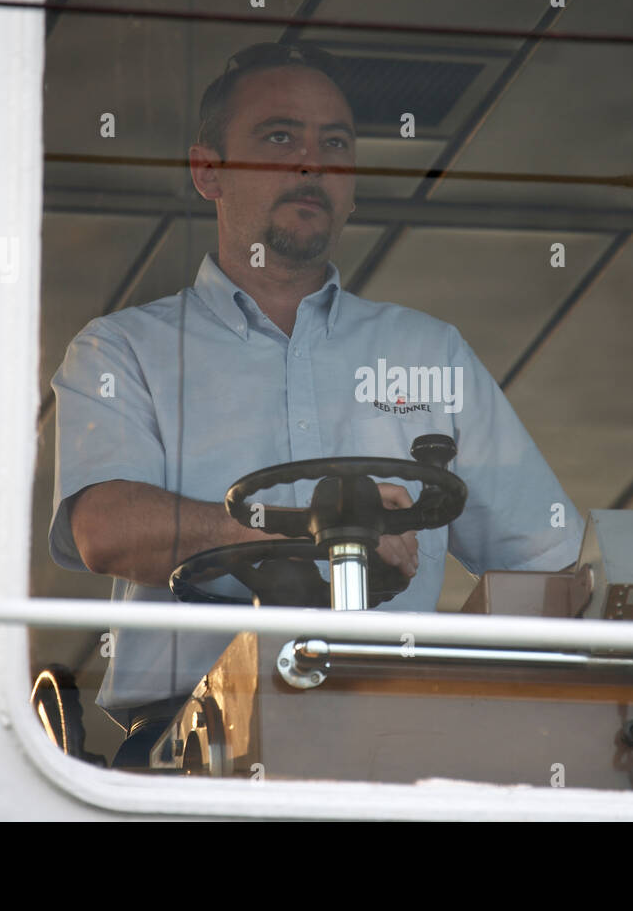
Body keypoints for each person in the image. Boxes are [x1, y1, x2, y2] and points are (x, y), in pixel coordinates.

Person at [48, 43, 585, 762]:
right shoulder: (123, 350)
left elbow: (553, 567)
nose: (312, 163)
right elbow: (105, 530)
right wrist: (313, 533)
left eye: (335, 144)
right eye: (280, 138)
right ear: (208, 172)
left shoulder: (430, 352)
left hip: (401, 751)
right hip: (189, 759)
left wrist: (454, 692)